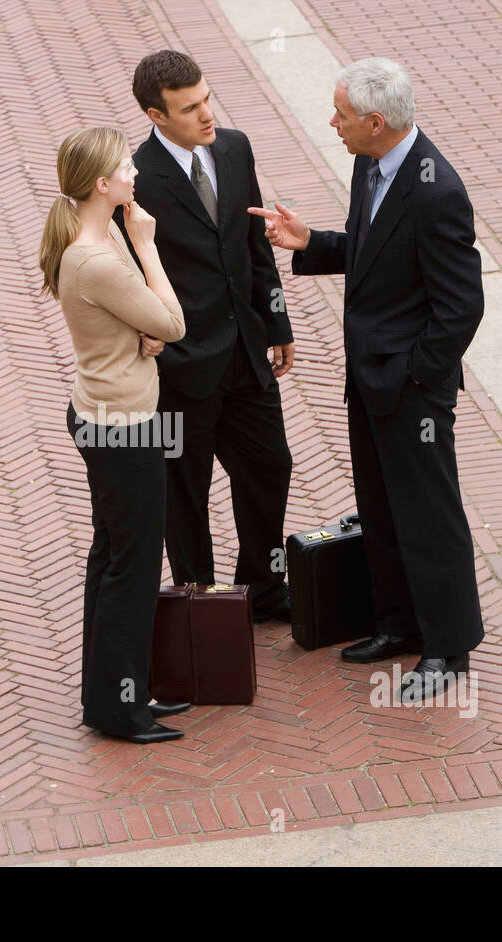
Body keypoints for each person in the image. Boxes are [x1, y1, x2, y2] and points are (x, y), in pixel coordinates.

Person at [250, 57, 484, 700]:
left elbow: (462, 306)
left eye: (342, 115)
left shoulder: (437, 191)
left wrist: (415, 376)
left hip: (411, 389)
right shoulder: (373, 162)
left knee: (430, 517)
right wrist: (312, 243)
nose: (334, 123)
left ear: (375, 121)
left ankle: (447, 649)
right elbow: (373, 249)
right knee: (382, 509)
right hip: (371, 379)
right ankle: (399, 625)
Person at [112, 50, 296, 624]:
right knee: (184, 495)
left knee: (271, 468)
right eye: (190, 109)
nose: (207, 116)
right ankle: (203, 606)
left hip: (245, 351)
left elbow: (252, 244)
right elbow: (128, 276)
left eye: (207, 99)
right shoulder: (136, 181)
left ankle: (263, 590)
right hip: (179, 369)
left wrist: (277, 321)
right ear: (155, 115)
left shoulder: (235, 148)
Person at [39, 127, 191, 743]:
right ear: (102, 185)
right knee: (130, 566)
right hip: (122, 429)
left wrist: (143, 333)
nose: (136, 172)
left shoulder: (95, 240)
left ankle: (113, 695)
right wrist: (148, 248)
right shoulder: (100, 255)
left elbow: (146, 323)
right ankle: (121, 710)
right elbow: (174, 322)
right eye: (127, 166)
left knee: (112, 557)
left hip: (107, 416)